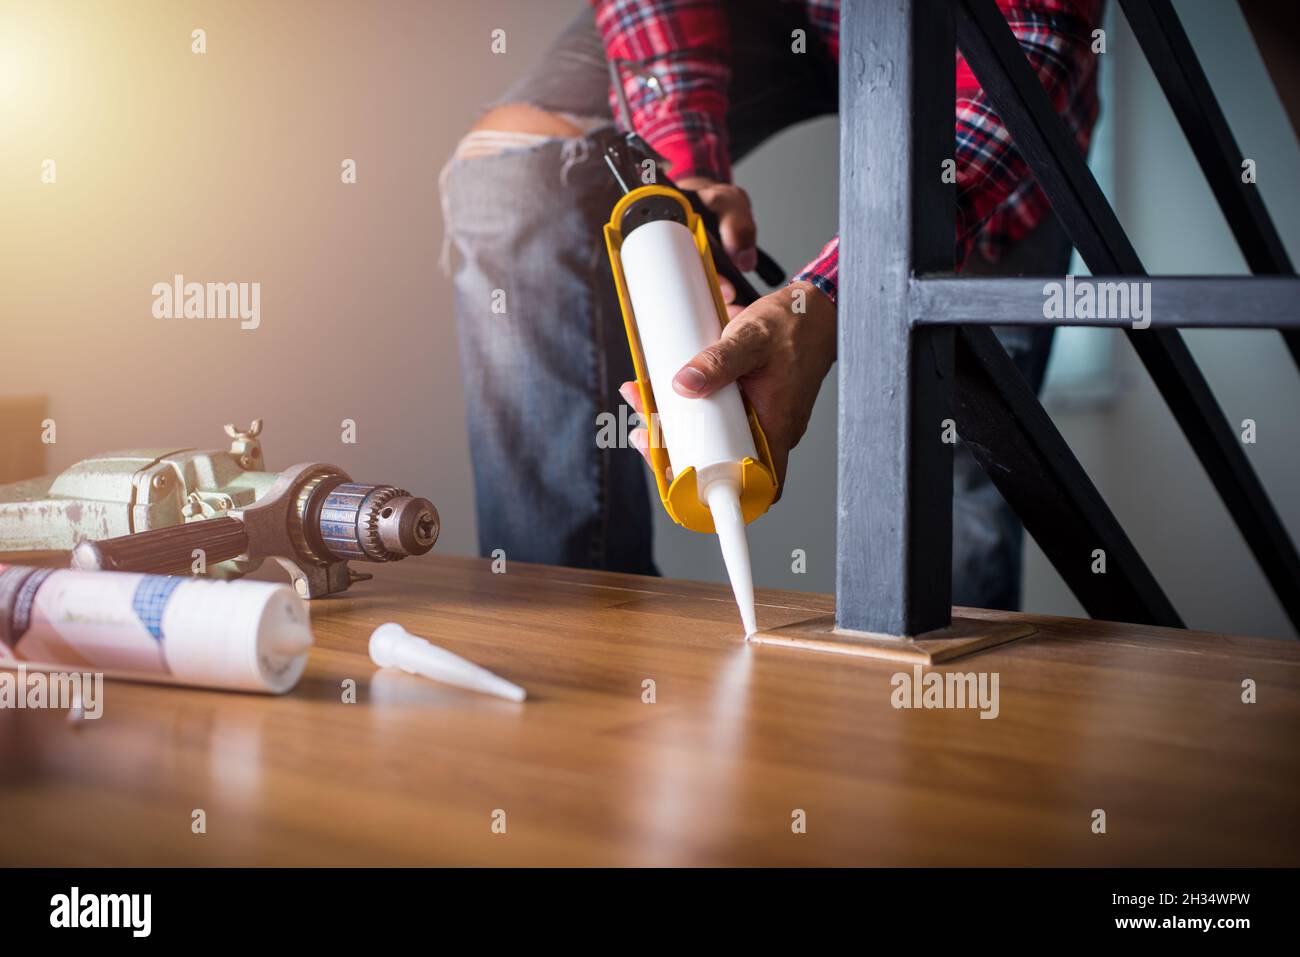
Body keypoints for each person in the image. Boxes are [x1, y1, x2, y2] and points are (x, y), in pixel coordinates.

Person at [442, 0, 1101, 609]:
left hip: (972, 31)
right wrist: (682, 179)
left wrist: (826, 301)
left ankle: (944, 708)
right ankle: (578, 634)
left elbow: (1033, 35)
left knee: (963, 450)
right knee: (511, 167)